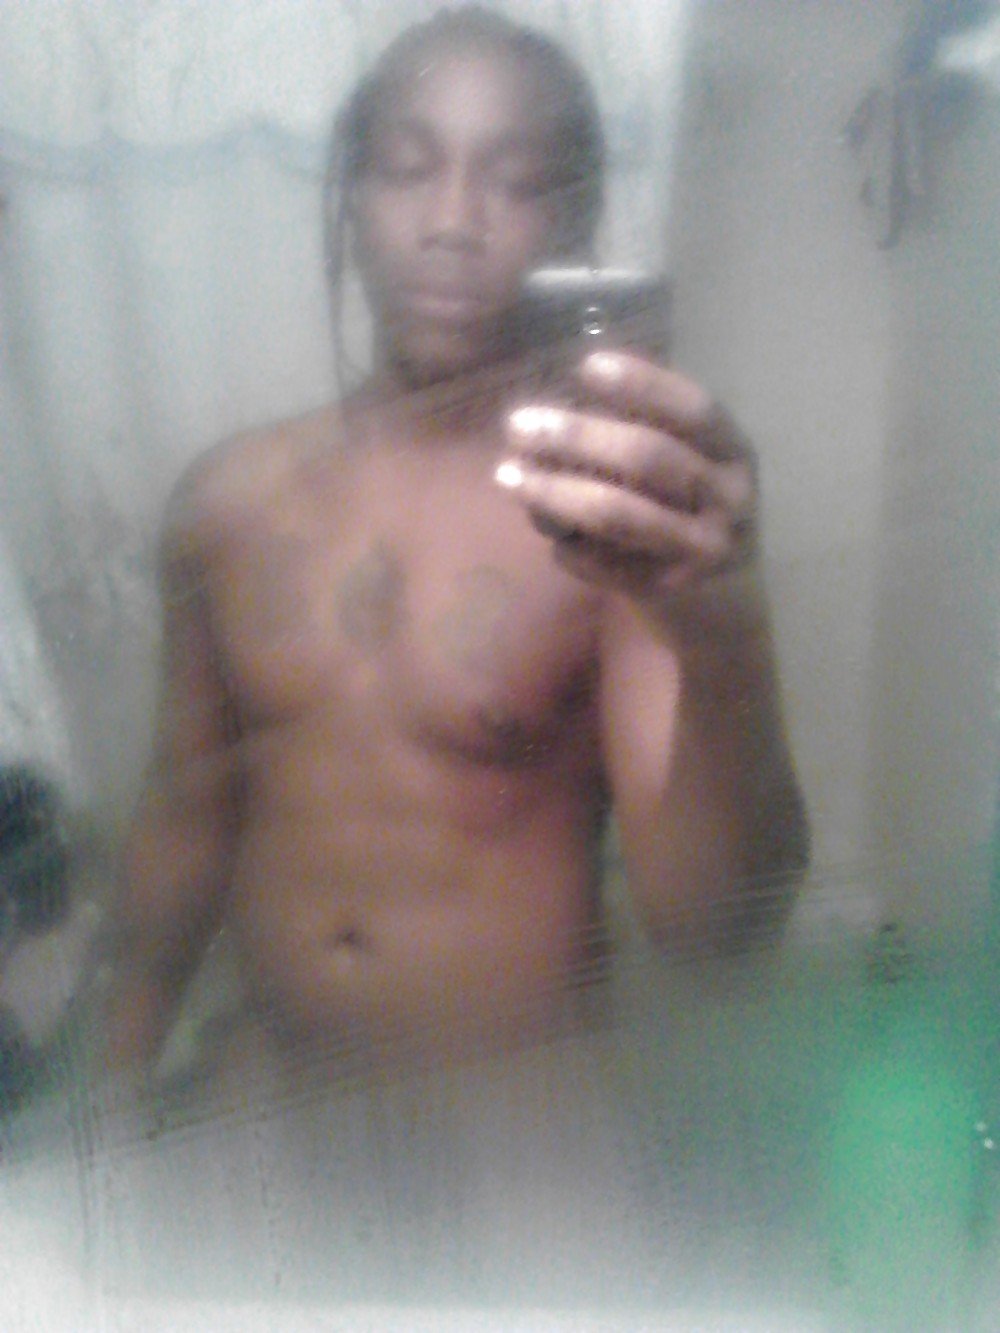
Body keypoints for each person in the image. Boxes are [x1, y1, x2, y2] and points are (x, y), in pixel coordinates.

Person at [103, 6, 808, 1087]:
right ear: (349, 198)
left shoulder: (602, 522)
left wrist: (723, 637)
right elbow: (184, 815)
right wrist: (117, 1078)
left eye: (515, 182)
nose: (452, 221)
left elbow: (715, 932)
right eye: (404, 167)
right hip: (275, 1097)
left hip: (511, 1109)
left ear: (572, 225)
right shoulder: (227, 502)